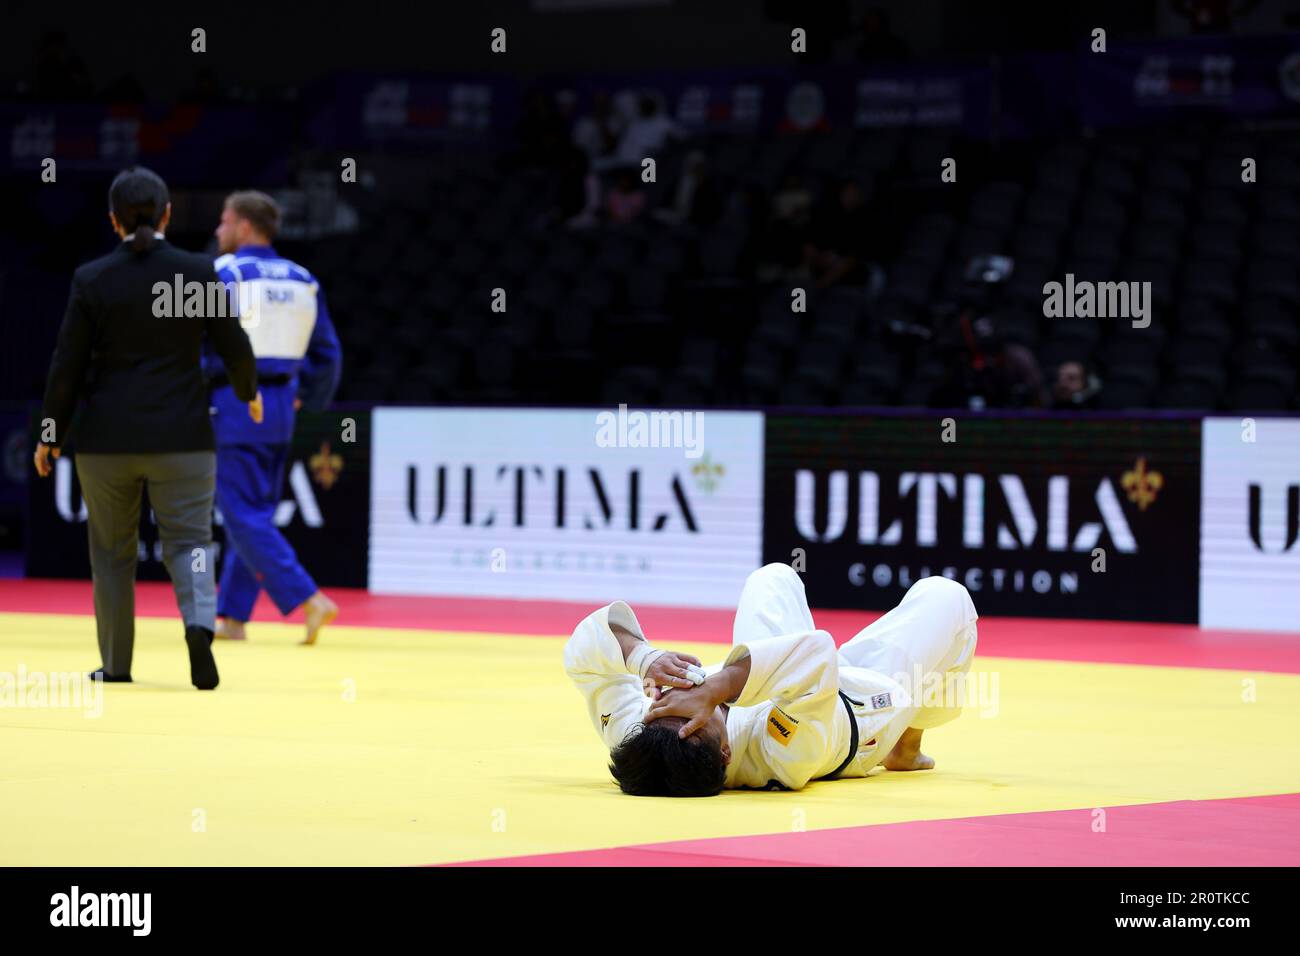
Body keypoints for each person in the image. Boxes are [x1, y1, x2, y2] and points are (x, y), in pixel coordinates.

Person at [35, 166, 260, 689]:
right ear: (168, 214)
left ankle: (115, 666)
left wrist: (49, 433)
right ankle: (200, 624)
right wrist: (249, 394)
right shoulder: (198, 273)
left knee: (112, 555)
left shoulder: (92, 279)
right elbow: (235, 348)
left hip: (105, 441)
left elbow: (65, 369)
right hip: (182, 437)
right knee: (191, 543)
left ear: (112, 219)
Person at [564, 563, 978, 796]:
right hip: (856, 713)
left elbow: (583, 656)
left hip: (770, 676)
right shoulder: (782, 756)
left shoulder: (638, 735)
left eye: (661, 707)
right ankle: (906, 745)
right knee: (948, 597)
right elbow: (817, 655)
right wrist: (715, 687)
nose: (677, 695)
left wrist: (643, 657)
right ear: (725, 752)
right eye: (690, 712)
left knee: (772, 577)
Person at [208, 191, 342, 645]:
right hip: (283, 405)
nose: (218, 230)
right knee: (255, 513)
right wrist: (306, 397)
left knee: (241, 513)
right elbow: (328, 354)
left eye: (224, 222)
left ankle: (308, 598)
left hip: (237, 400)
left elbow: (200, 345)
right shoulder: (303, 279)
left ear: (245, 226)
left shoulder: (225, 274)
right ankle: (232, 618)